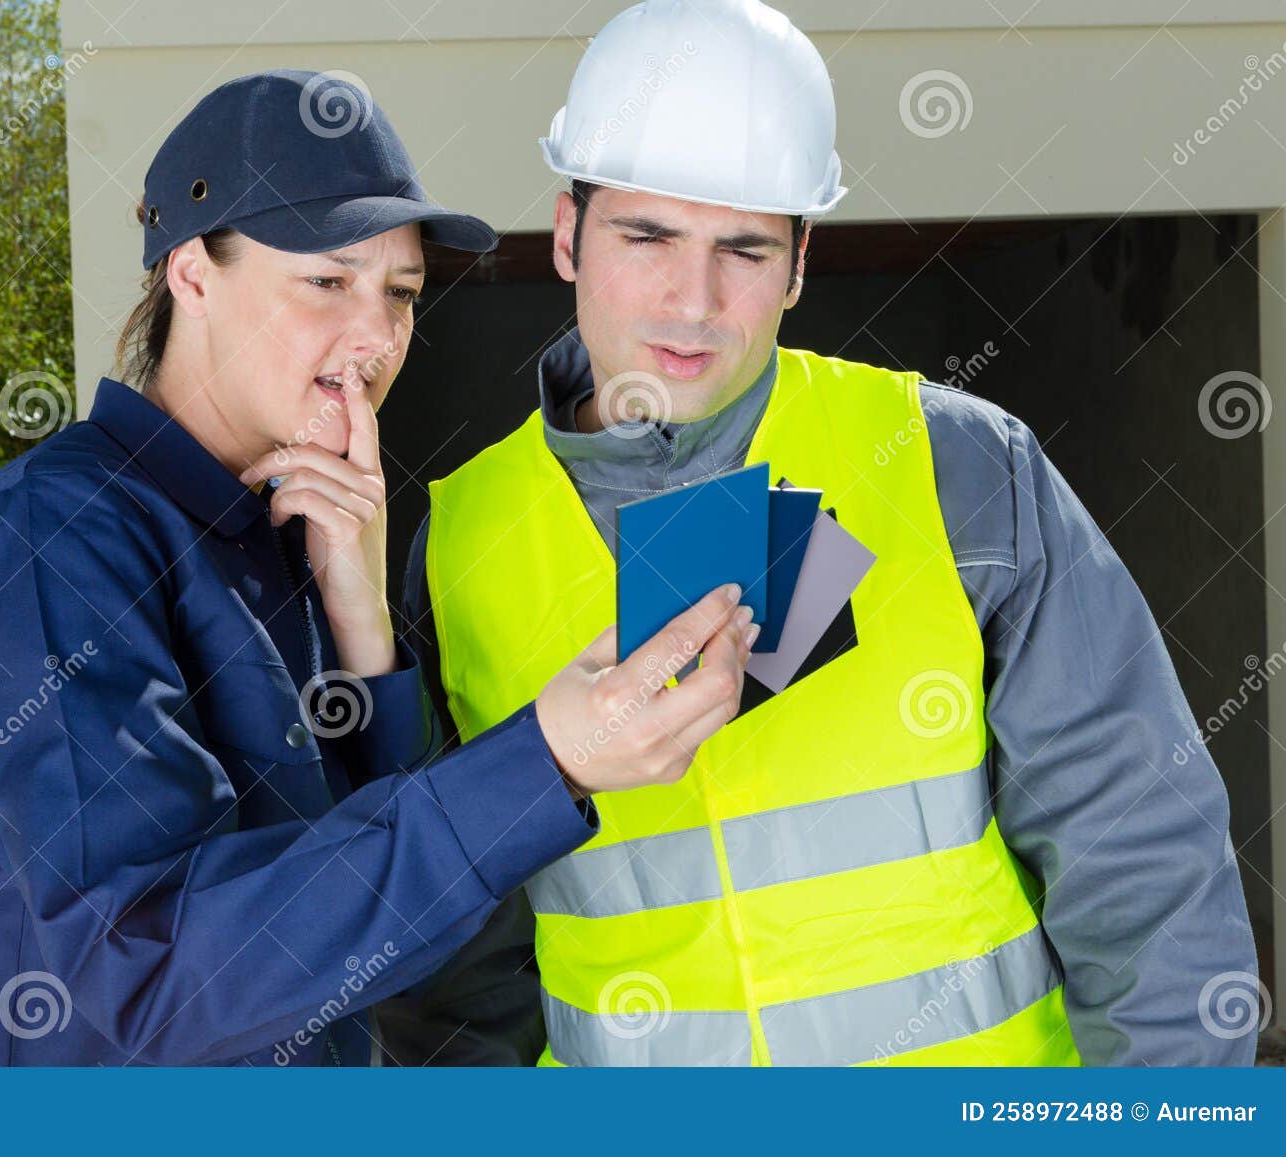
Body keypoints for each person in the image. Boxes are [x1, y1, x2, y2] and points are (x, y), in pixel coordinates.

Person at [384, 0, 1257, 1066]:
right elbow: (462, 968)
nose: (692, 299)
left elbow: (1143, 860)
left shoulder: (953, 463)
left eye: (742, 249)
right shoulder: (457, 537)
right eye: (646, 234)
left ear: (798, 265)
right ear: (567, 238)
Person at [0, 69, 757, 1066]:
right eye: (328, 280)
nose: (376, 336)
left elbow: (378, 933)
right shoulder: (53, 544)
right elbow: (141, 967)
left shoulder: (287, 532)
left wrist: (364, 637)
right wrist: (547, 758)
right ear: (191, 272)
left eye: (400, 293)